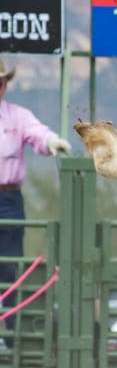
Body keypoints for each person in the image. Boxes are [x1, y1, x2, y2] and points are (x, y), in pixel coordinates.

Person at [0, 58, 71, 346]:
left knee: (9, 267)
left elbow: (37, 133)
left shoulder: (17, 116)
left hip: (8, 199)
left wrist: (51, 141)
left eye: (1, 81)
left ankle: (10, 336)